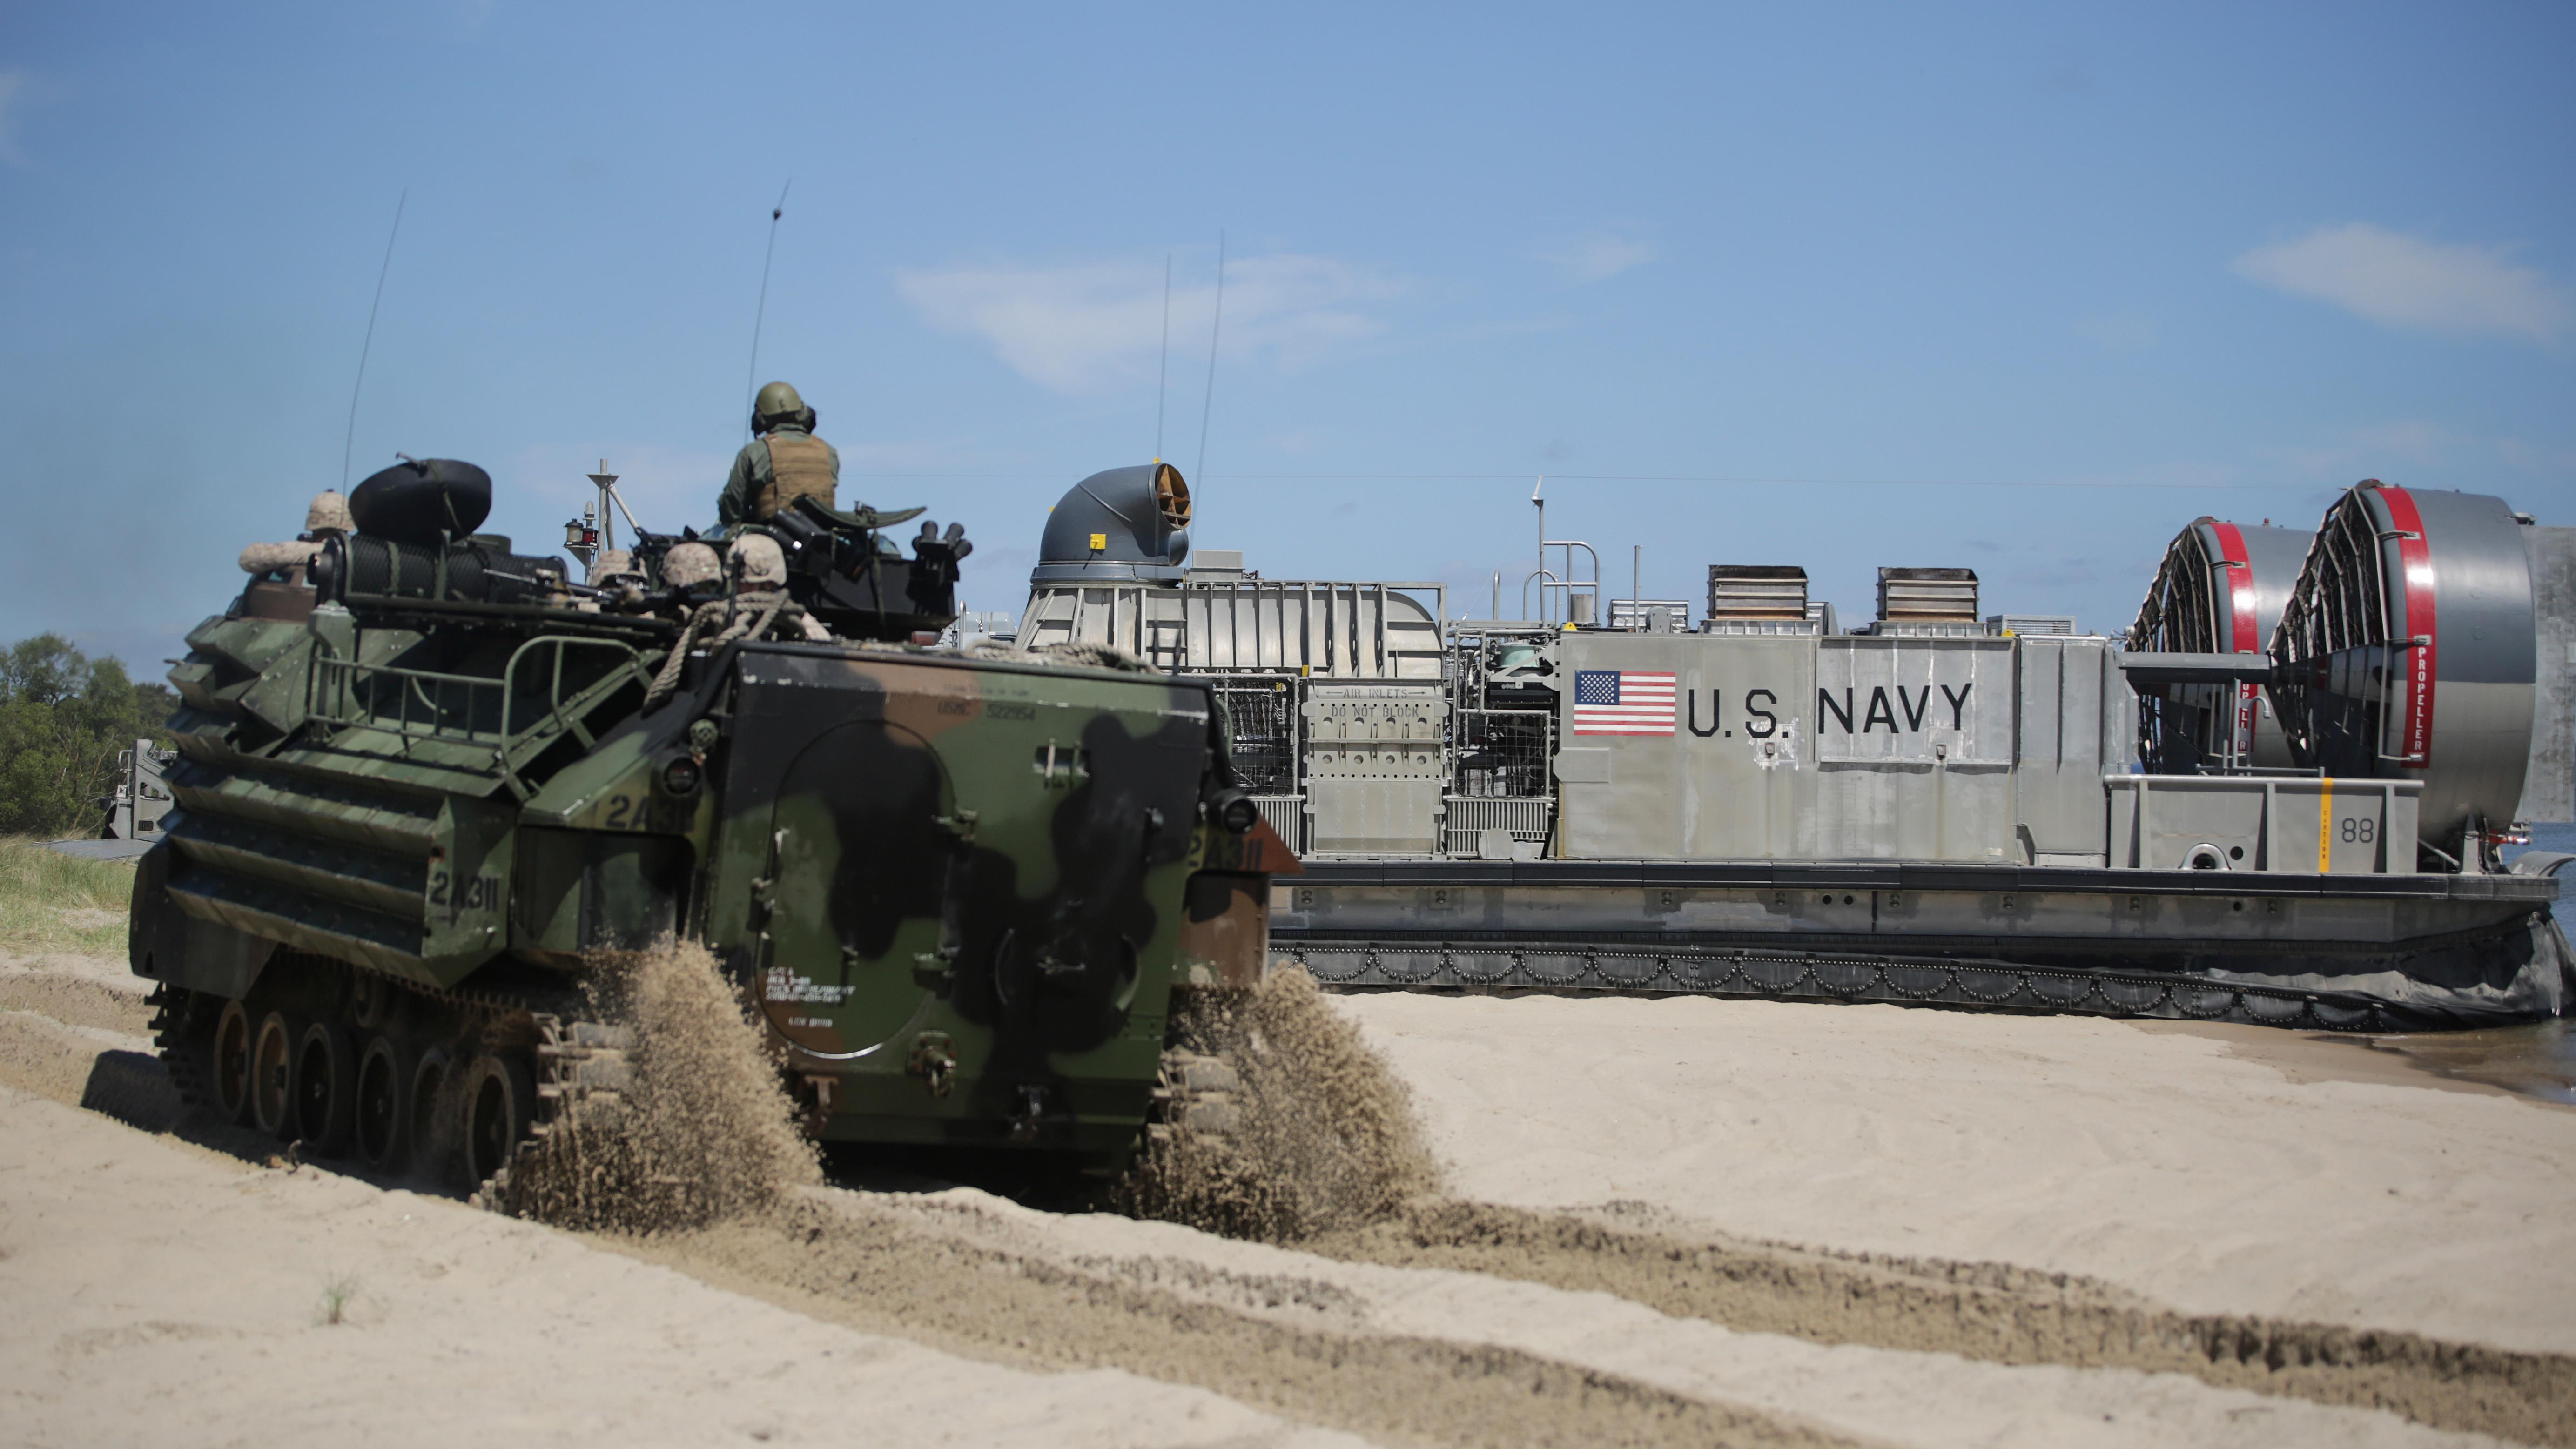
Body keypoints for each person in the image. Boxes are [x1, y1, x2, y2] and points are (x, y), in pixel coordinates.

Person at [719, 381, 840, 527]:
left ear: (760, 417)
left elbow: (733, 508)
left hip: (772, 534)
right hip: (825, 536)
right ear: (804, 412)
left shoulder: (754, 452)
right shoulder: (828, 452)